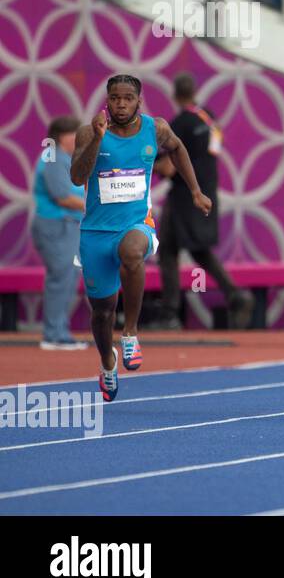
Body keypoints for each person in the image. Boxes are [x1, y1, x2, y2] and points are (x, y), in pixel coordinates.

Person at [71, 75, 212, 401]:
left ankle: (131, 333)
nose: (121, 104)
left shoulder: (156, 128)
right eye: (115, 98)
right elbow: (78, 176)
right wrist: (96, 139)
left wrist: (195, 191)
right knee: (102, 311)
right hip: (95, 233)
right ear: (107, 100)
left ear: (139, 101)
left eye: (128, 98)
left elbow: (177, 148)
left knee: (133, 252)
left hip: (136, 223)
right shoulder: (88, 131)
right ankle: (108, 361)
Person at [150, 73, 254, 330]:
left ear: (175, 95)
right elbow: (213, 150)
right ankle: (234, 295)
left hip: (184, 197)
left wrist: (146, 165)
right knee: (197, 250)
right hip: (206, 191)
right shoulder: (208, 118)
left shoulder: (179, 123)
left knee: (168, 253)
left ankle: (170, 315)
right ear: (194, 92)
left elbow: (169, 166)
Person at [30, 116, 88, 350]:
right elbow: (62, 197)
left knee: (68, 277)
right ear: (63, 137)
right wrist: (95, 205)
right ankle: (54, 335)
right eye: (75, 135)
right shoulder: (53, 157)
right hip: (56, 226)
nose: (78, 140)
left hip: (66, 226)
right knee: (61, 278)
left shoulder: (62, 157)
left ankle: (58, 331)